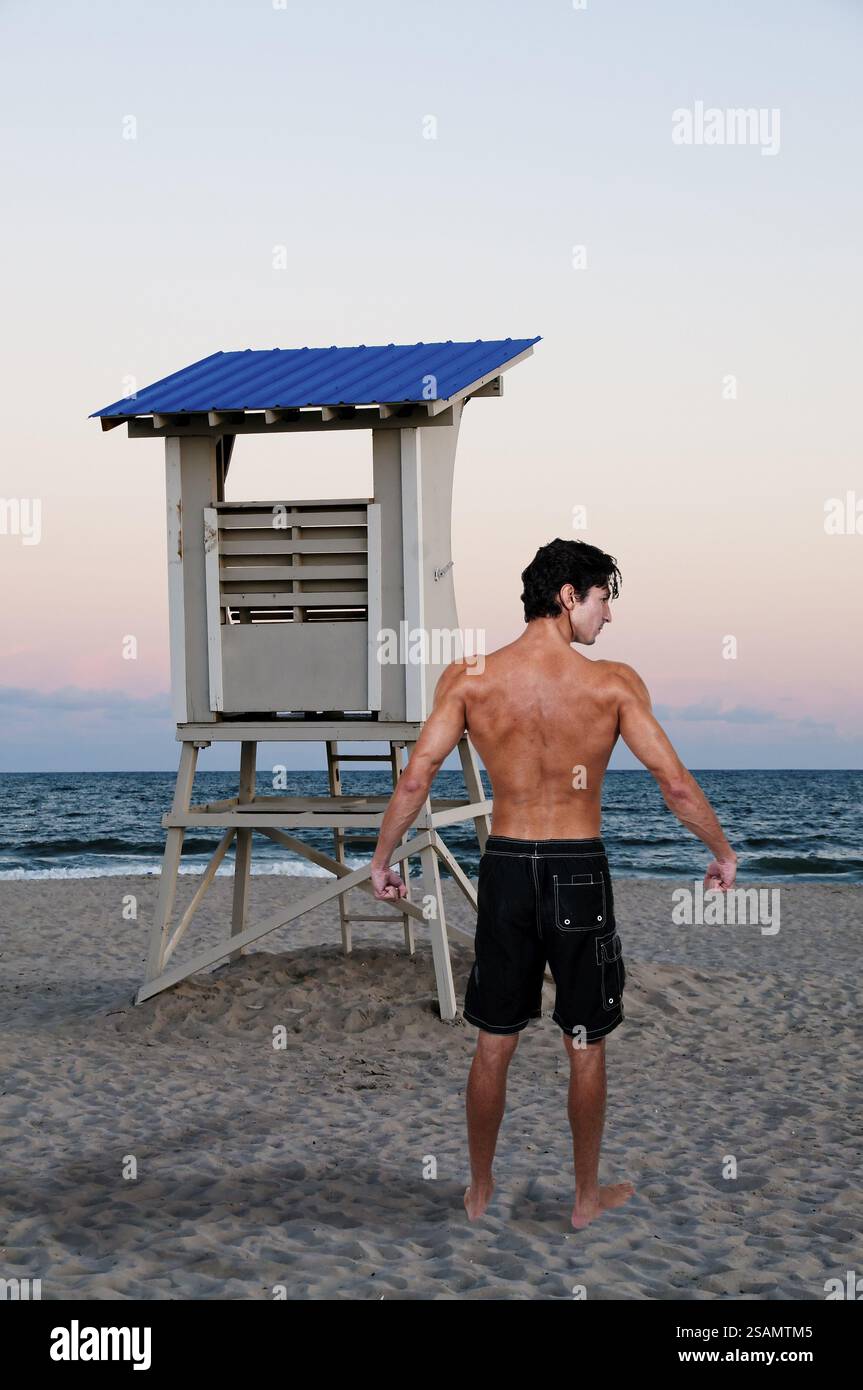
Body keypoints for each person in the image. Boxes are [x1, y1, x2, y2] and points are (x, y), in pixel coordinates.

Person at [369, 538, 737, 1229]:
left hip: (506, 868)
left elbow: (416, 777)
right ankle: (582, 1199)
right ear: (569, 595)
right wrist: (721, 852)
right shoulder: (612, 684)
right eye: (604, 599)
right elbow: (675, 785)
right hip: (576, 872)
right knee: (583, 1040)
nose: (608, 617)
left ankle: (478, 1191)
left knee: (492, 1041)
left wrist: (381, 858)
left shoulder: (469, 676)